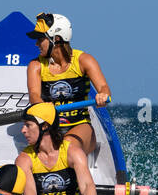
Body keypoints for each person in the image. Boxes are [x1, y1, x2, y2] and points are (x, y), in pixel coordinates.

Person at [25, 13, 111, 156]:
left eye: (40, 39)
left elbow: (104, 87)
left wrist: (103, 95)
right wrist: (44, 109)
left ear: (56, 39)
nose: (36, 44)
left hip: (80, 125)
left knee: (67, 149)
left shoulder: (84, 60)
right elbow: (34, 95)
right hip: (51, 126)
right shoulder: (35, 66)